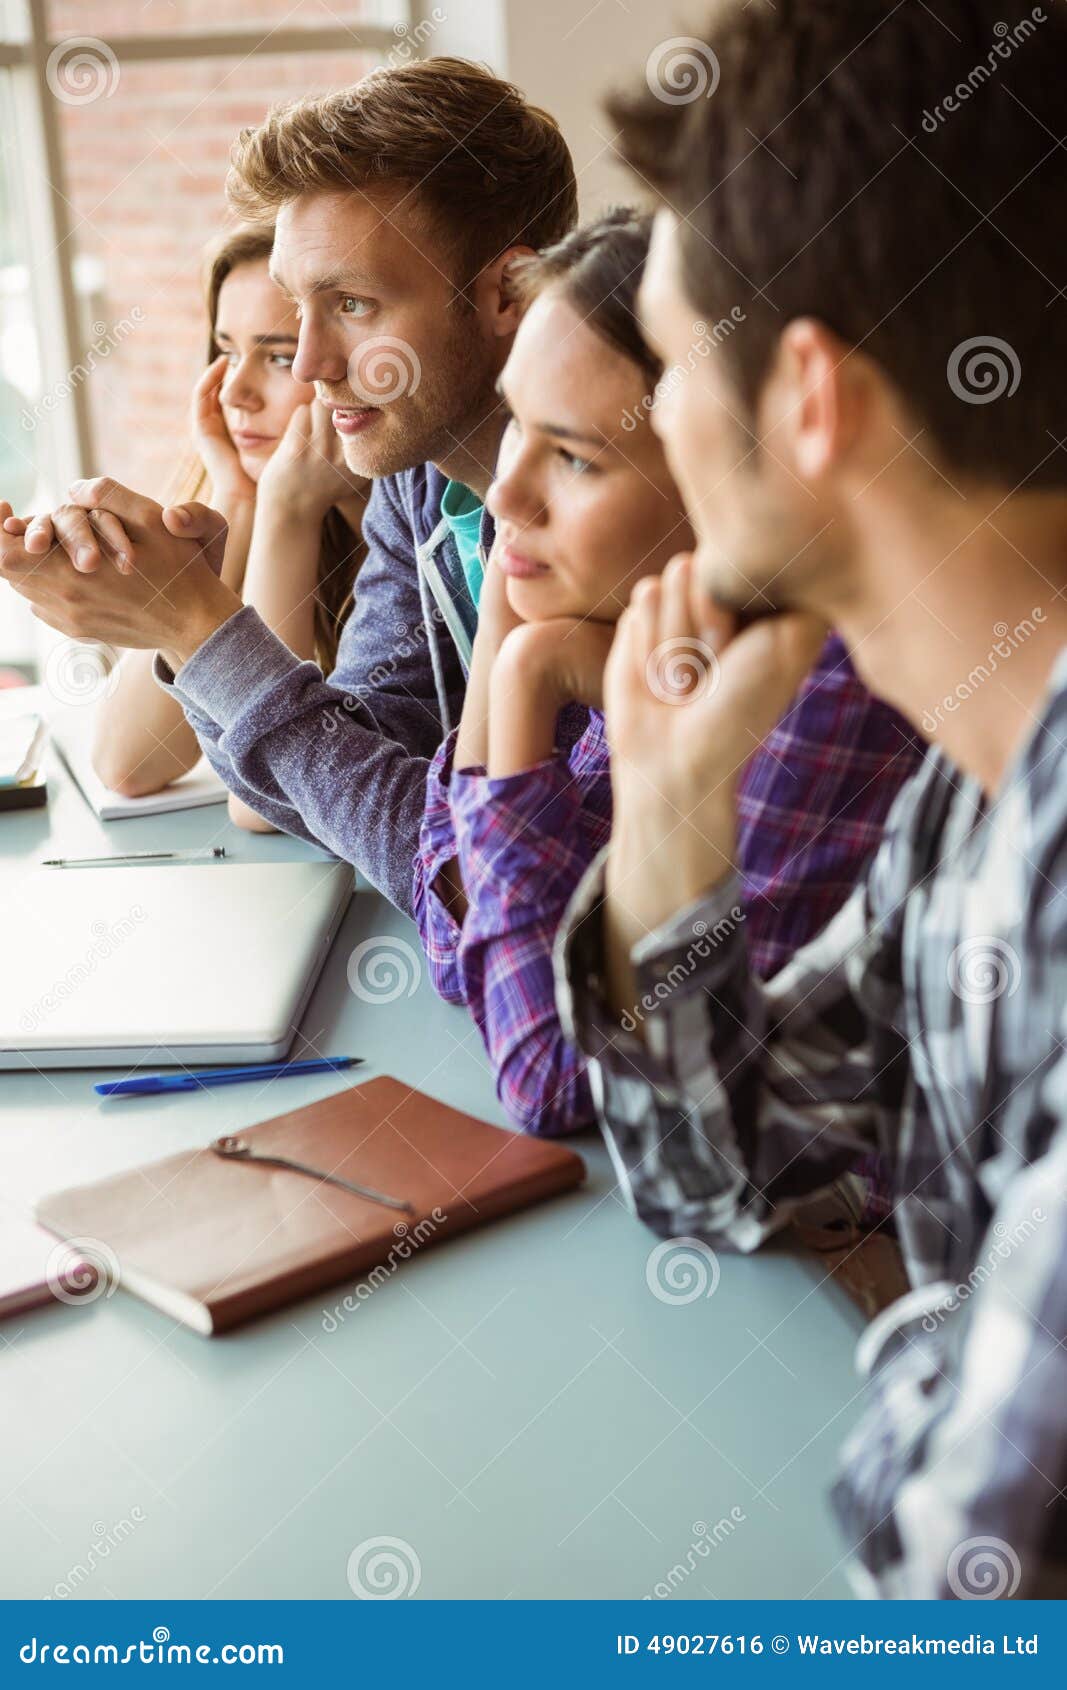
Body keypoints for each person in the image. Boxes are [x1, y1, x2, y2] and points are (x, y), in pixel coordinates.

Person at [553, 0, 1067, 1597]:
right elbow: (731, 1167)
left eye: (671, 355)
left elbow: (955, 1571)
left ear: (809, 399)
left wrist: (946, 1312)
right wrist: (667, 823)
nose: (661, 420)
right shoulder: (975, 799)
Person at [0, 58, 579, 911]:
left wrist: (195, 627)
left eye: (352, 304)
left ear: (505, 292)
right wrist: (180, 611)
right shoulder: (419, 485)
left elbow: (471, 877)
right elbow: (352, 764)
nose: (310, 364)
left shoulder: (602, 506)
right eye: (295, 309)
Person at [415, 209, 922, 1148]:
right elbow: (459, 945)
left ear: (715, 461)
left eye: (572, 456)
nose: (504, 493)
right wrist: (504, 635)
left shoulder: (813, 686)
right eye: (516, 424)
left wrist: (521, 687)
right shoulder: (638, 613)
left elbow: (558, 1078)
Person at [90, 224, 367, 830]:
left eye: (278, 357)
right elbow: (127, 763)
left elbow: (271, 803)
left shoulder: (408, 536)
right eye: (225, 351)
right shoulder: (243, 497)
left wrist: (285, 509)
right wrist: (236, 506)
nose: (236, 392)